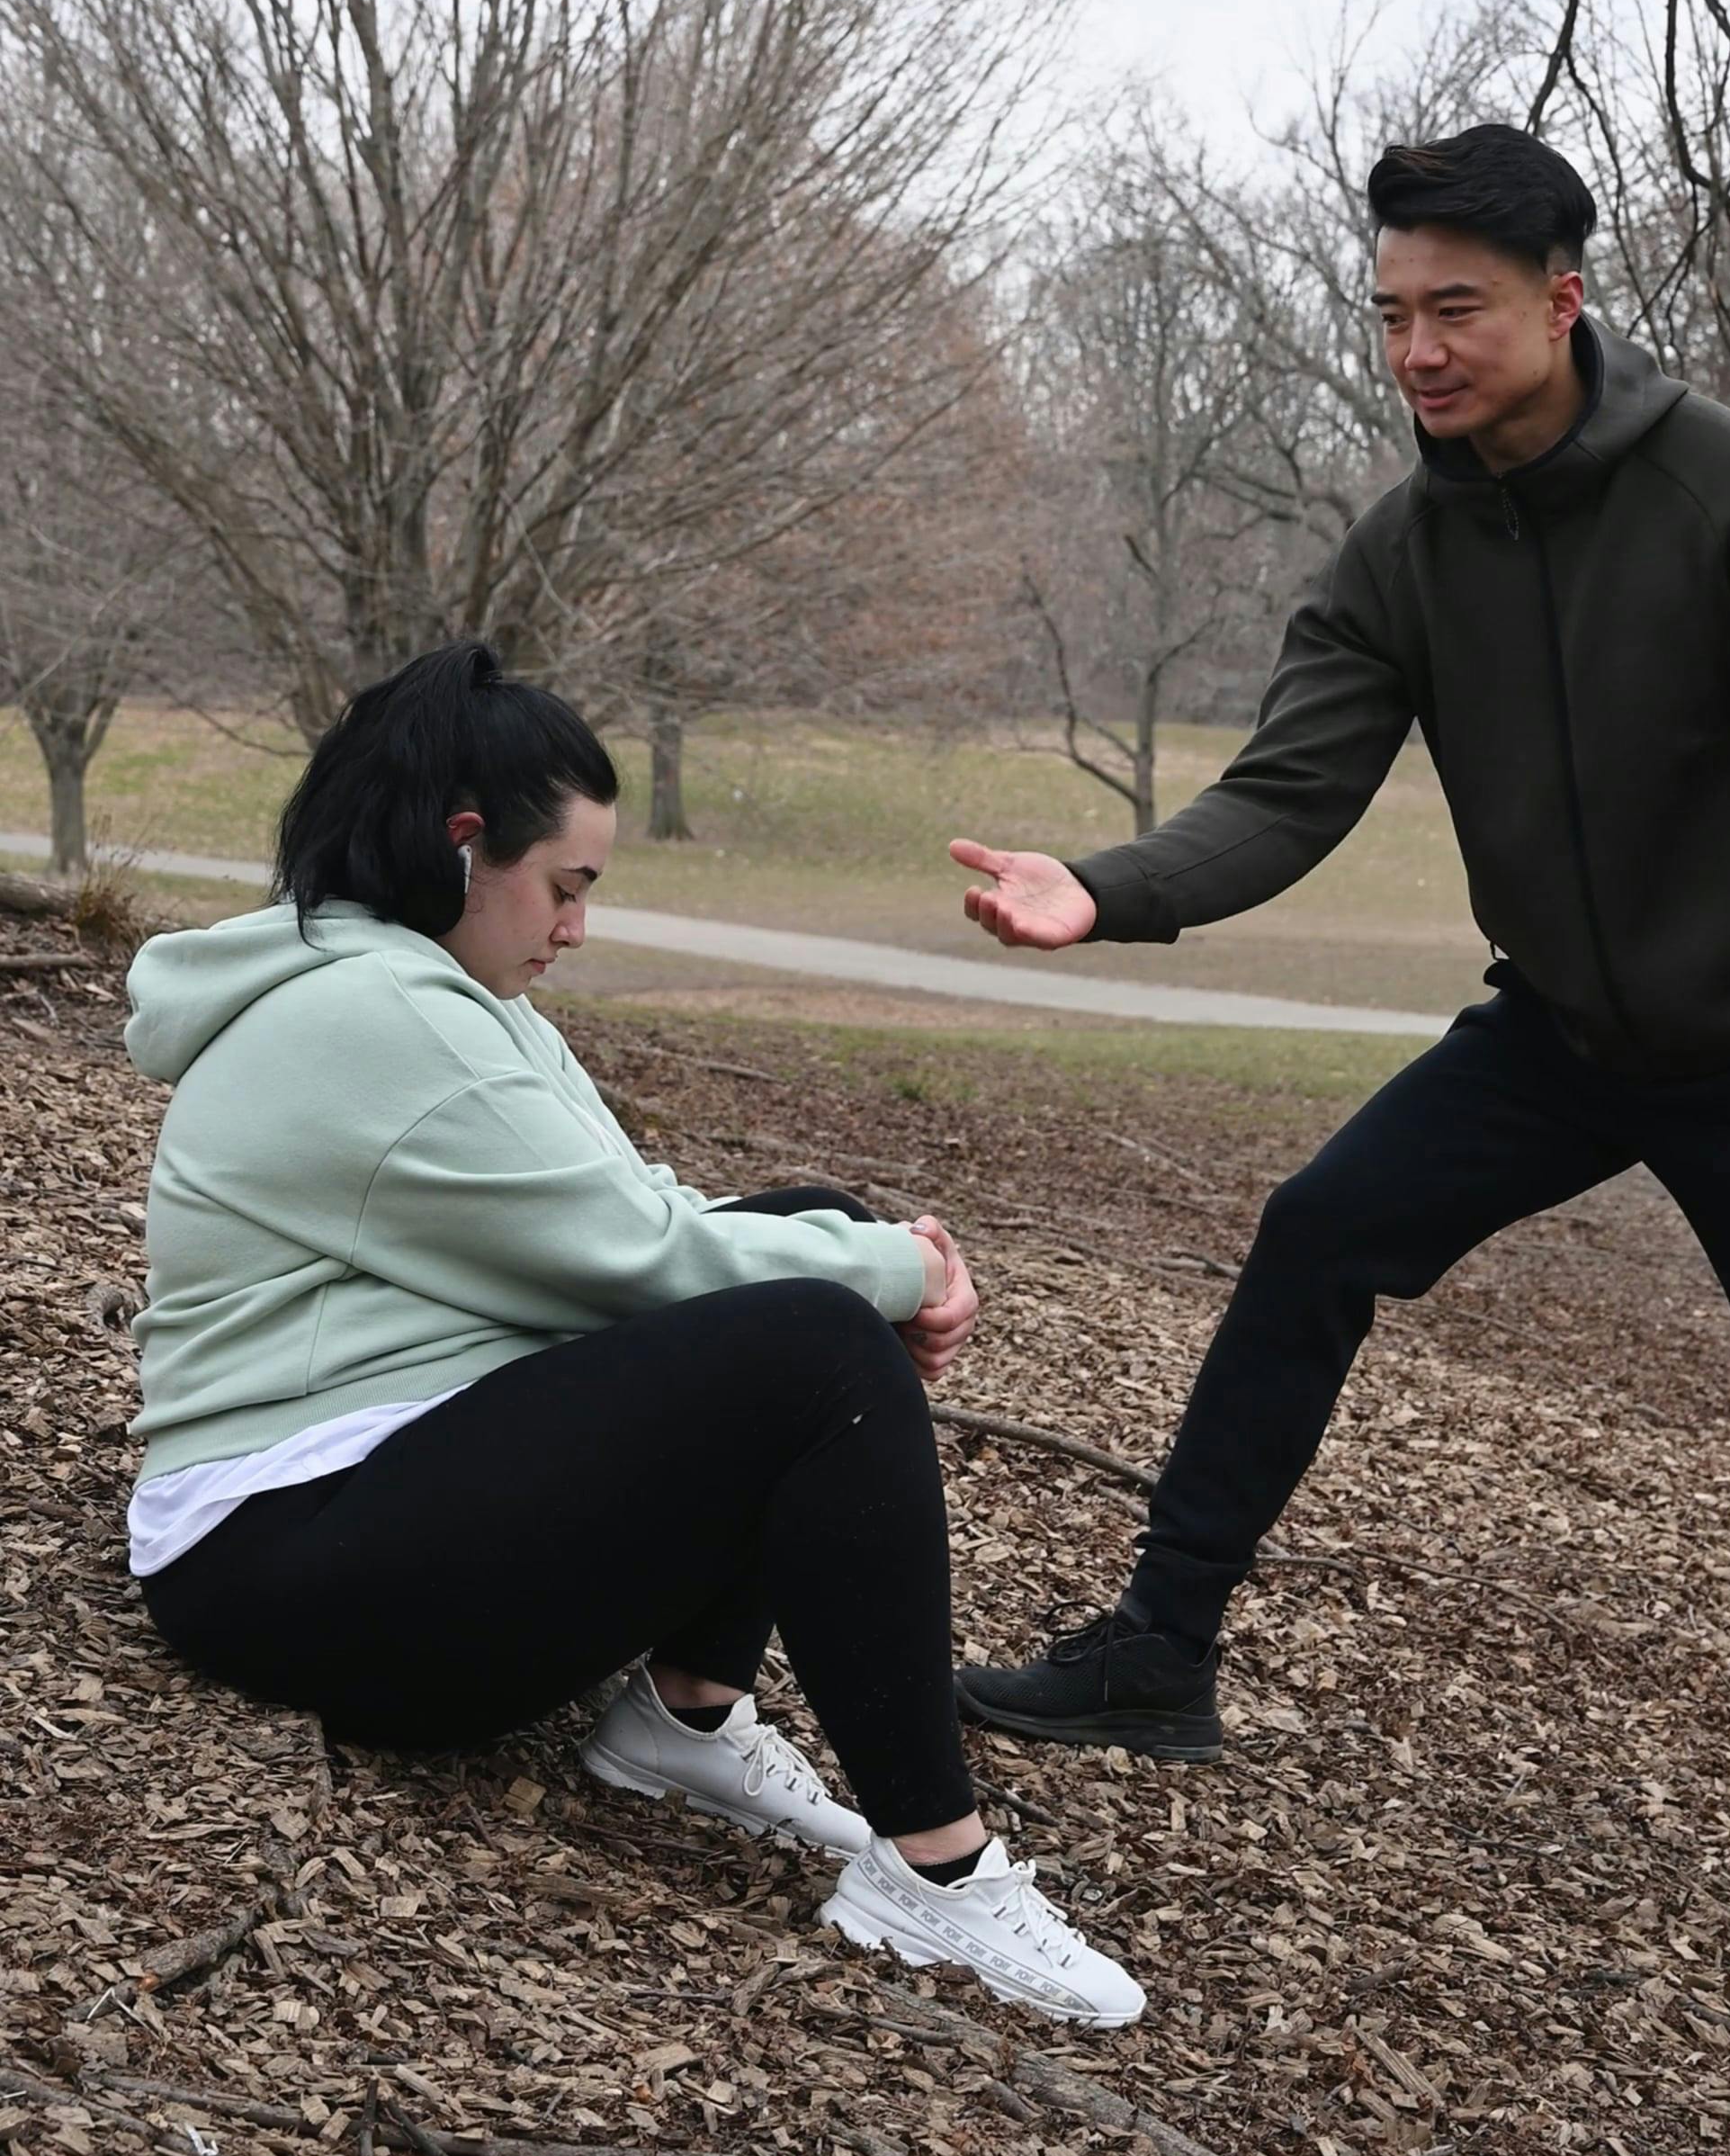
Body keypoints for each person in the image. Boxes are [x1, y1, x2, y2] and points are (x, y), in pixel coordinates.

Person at [949, 122, 1730, 1995]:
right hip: (1555, 1036)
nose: (1418, 349)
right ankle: (1161, 1650)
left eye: (1456, 310)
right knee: (1322, 1226)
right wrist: (1107, 887)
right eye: (1393, 312)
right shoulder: (1408, 544)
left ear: (1565, 300)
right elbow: (1289, 790)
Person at [128, 640, 1142, 2028]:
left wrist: (850, 1254)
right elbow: (649, 1257)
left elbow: (641, 1221)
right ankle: (937, 1878)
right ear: (468, 845)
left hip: (355, 1499)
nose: (577, 927)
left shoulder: (438, 996)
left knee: (806, 1242)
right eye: (568, 886)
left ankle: (682, 1723)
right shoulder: (373, 1015)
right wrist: (893, 1278)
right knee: (819, 1344)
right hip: (277, 1561)